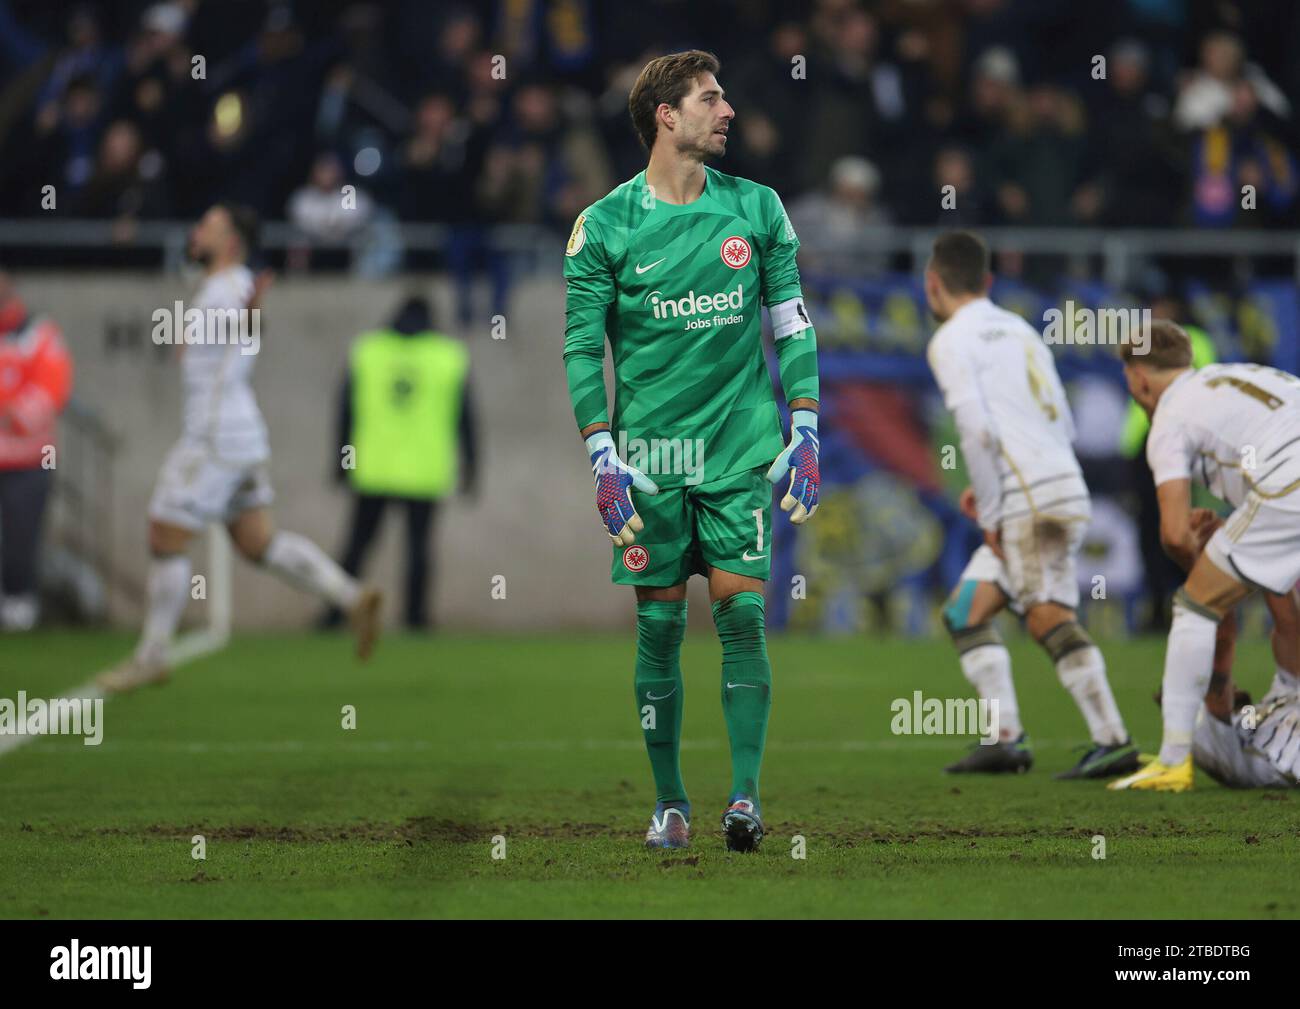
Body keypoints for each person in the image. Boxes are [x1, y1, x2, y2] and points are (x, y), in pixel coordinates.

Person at [562, 50, 820, 852]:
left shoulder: (759, 208)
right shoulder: (604, 226)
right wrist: (602, 454)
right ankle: (670, 803)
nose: (728, 110)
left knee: (742, 614)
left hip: (741, 449)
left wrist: (806, 425)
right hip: (649, 464)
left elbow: (792, 325)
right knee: (660, 628)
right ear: (666, 116)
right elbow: (579, 349)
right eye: (711, 98)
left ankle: (744, 798)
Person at [100, 203, 381, 692]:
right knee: (257, 543)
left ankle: (152, 655)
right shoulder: (220, 287)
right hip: (242, 437)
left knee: (165, 532)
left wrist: (252, 314)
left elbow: (250, 326)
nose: (196, 230)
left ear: (230, 242)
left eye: (207, 225)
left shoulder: (230, 289)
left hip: (215, 438)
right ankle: (352, 596)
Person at [924, 230, 1137, 778]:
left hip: (1028, 501)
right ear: (989, 282)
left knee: (1046, 616)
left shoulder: (950, 340)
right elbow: (1060, 415)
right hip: (1060, 480)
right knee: (964, 612)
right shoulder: (1019, 328)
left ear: (932, 283)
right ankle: (1005, 738)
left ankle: (1113, 738)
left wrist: (992, 511)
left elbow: (974, 429)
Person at [1111, 321, 1300, 791]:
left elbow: (1175, 534)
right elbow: (1283, 605)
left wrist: (1203, 562)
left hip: (1290, 486)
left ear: (1138, 378)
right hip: (1286, 482)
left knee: (1195, 605)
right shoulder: (1238, 381)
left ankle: (1174, 760)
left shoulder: (1170, 418)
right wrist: (1226, 547)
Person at [324, 295, 476, 630]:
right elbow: (467, 418)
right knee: (419, 548)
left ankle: (334, 613)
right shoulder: (448, 356)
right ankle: (415, 619)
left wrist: (341, 460)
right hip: (425, 470)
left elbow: (344, 410)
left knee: (357, 545)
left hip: (373, 467)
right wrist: (471, 468)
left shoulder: (368, 350)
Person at [0, 272, 73, 630]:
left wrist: (15, 415)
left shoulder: (40, 333)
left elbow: (51, 390)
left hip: (28, 460)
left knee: (21, 538)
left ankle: (20, 612)